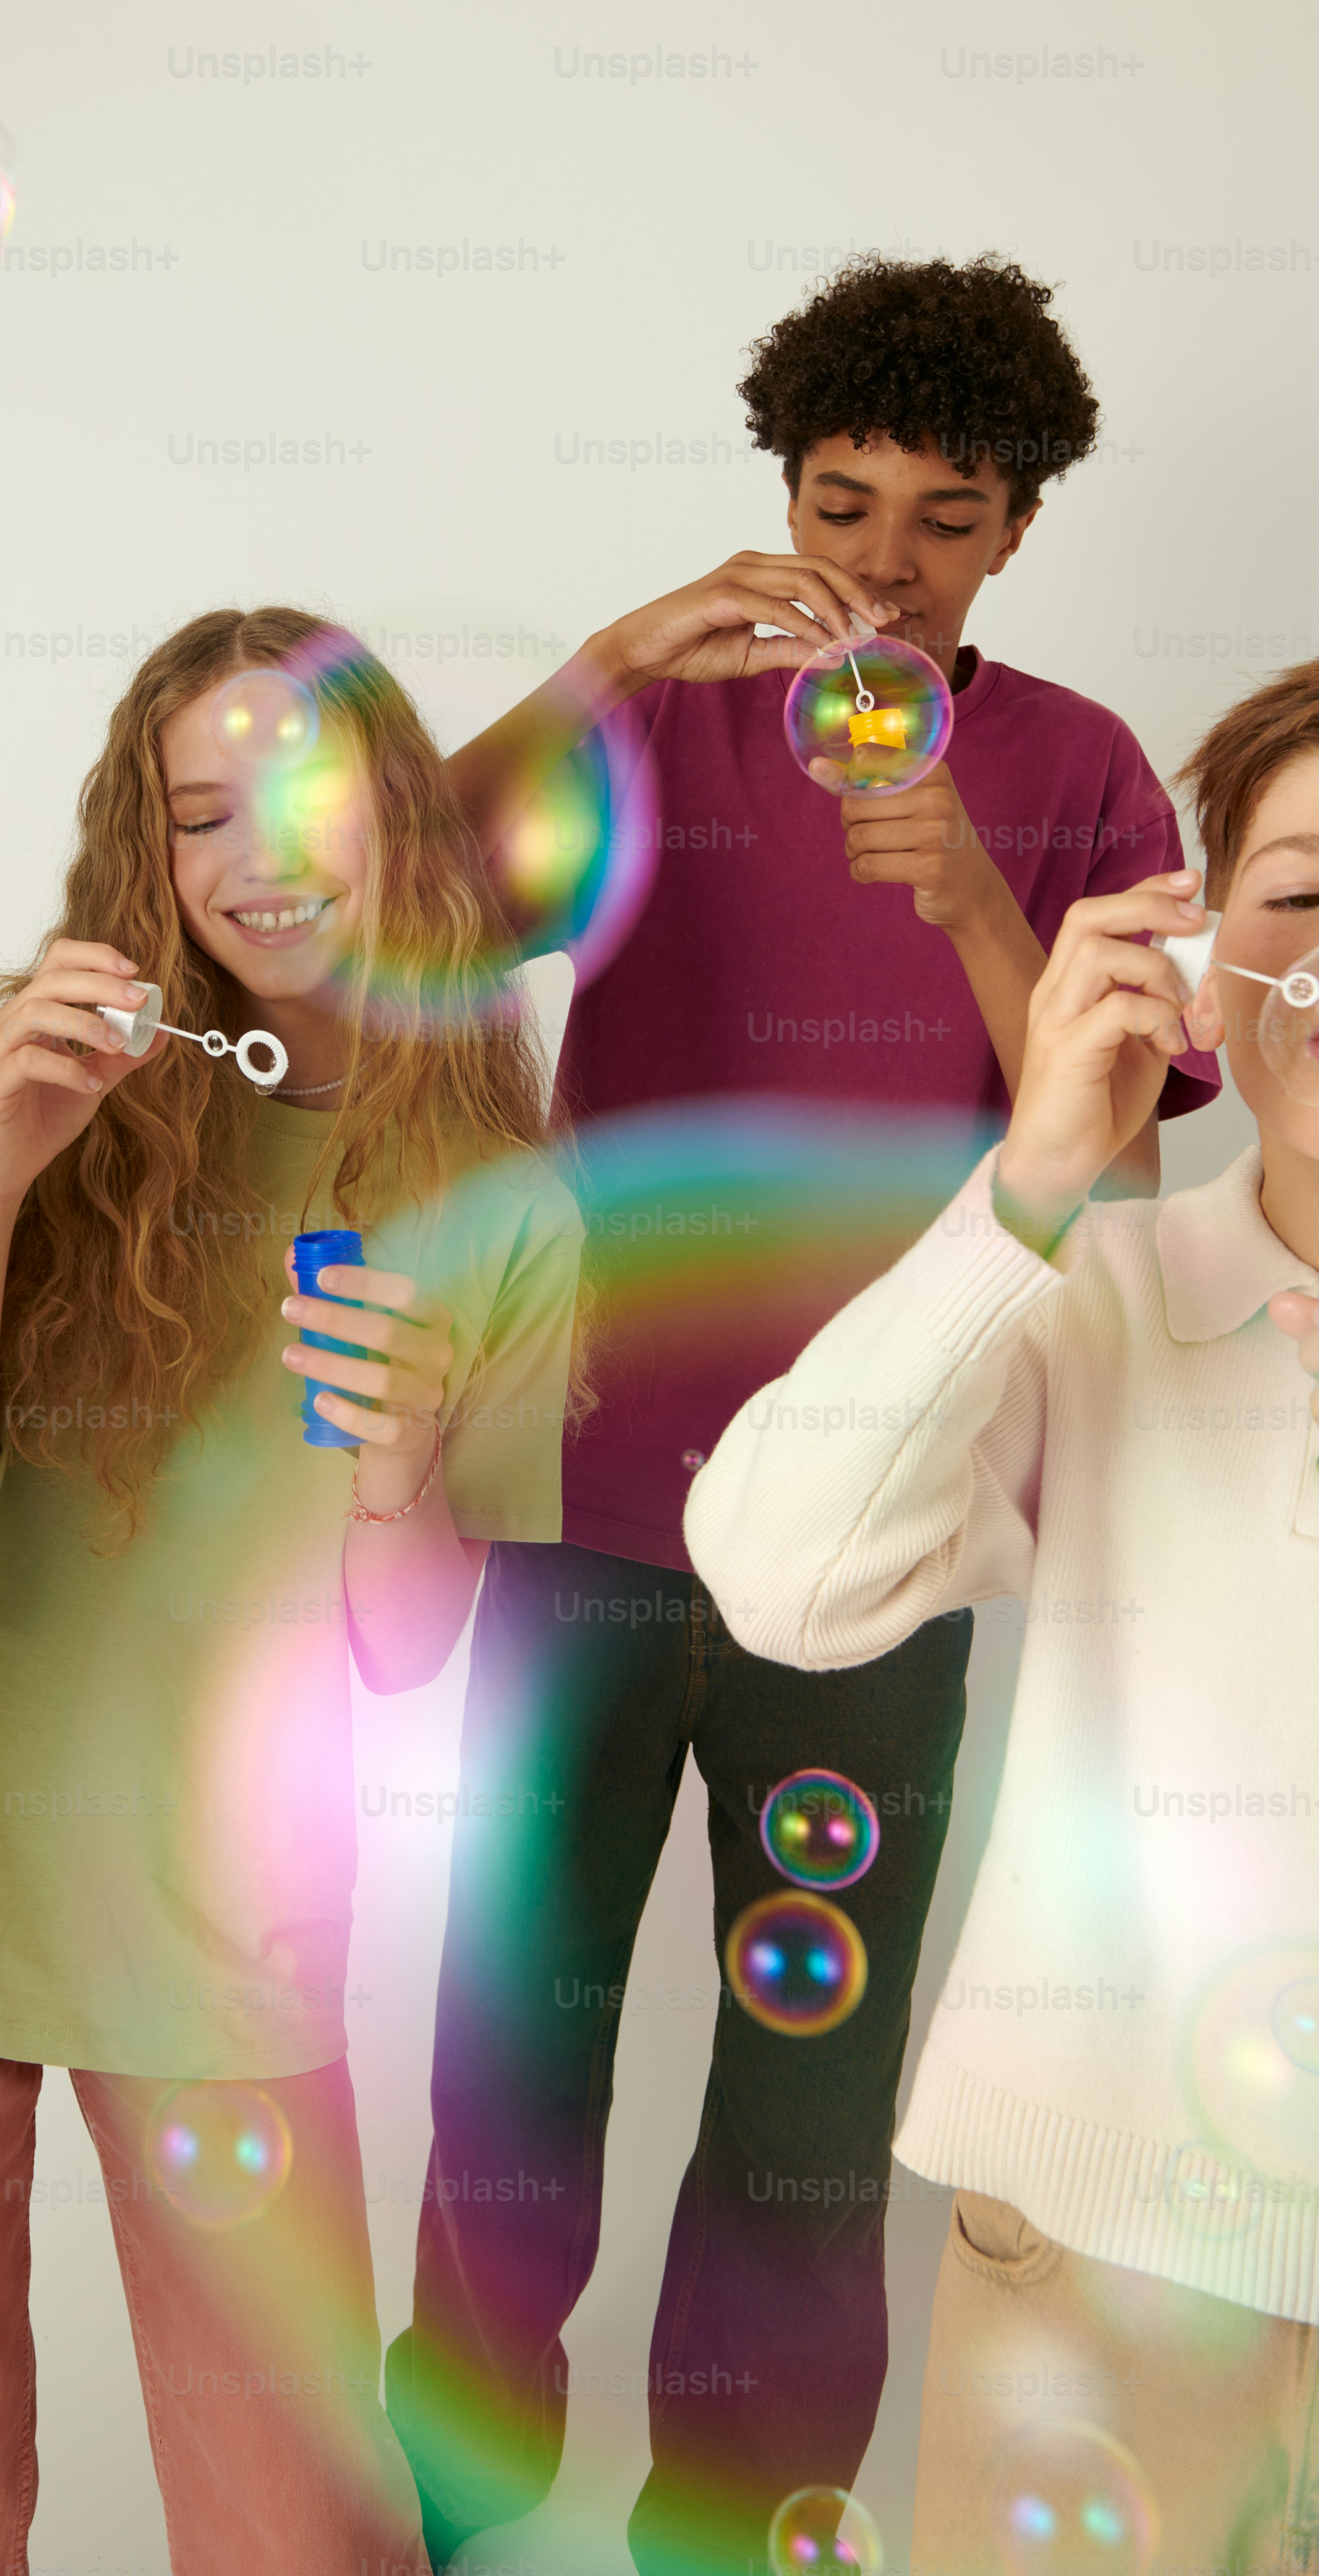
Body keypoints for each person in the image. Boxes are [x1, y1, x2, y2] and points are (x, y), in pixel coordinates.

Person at [385, 253, 1222, 2571]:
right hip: (575, 1494)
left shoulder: (1073, 773)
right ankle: (452, 2520)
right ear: (784, 492)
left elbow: (1125, 1162)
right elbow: (404, 915)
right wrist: (606, 663)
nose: (876, 563)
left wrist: (971, 900)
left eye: (940, 520)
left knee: (803, 2110)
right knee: (504, 2081)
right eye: (839, 504)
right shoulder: (653, 726)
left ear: (1015, 530)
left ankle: (728, 2539)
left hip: (889, 1531)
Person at [0, 610, 587, 2575]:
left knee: (296, 2523)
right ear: (148, 847)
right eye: (199, 813)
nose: (253, 857)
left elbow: (403, 1654)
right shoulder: (28, 1084)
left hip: (230, 1940)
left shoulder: (504, 1201)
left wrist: (395, 1466)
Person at [686, 665, 1319, 2571]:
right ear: (1200, 971)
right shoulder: (1097, 1294)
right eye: (1305, 894)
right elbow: (784, 1572)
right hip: (1100, 2276)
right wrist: (1035, 1176)